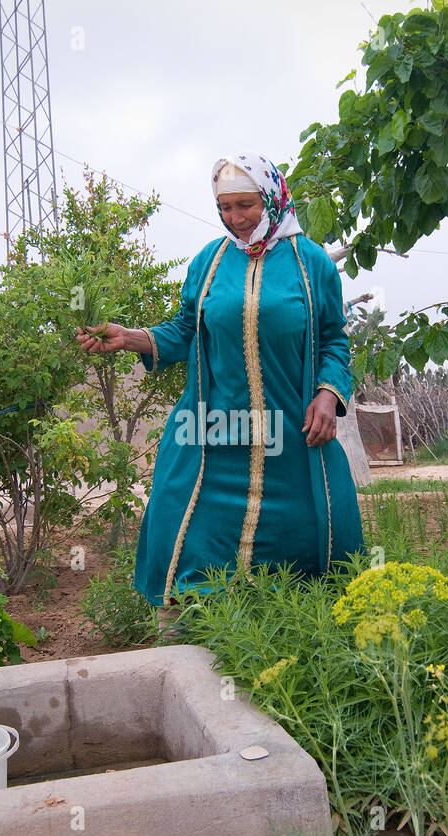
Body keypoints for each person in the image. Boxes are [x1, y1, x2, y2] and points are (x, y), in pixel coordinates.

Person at [76, 153, 364, 630]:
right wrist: (131, 338)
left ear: (272, 199)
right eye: (225, 207)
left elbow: (335, 337)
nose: (236, 218)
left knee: (305, 542)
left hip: (292, 435)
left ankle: (297, 636)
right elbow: (185, 329)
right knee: (183, 523)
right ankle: (188, 645)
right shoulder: (209, 262)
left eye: (246, 205)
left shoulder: (310, 263)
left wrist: (328, 395)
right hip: (215, 433)